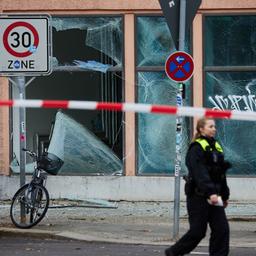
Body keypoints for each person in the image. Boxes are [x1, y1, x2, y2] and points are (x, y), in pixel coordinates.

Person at [165, 117, 231, 256]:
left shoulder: (216, 147)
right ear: (201, 129)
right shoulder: (196, 148)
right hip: (198, 197)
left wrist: (224, 196)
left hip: (214, 197)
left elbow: (220, 174)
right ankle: (173, 253)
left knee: (222, 230)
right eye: (210, 126)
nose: (214, 129)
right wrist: (211, 192)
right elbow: (199, 173)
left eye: (214, 126)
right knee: (197, 232)